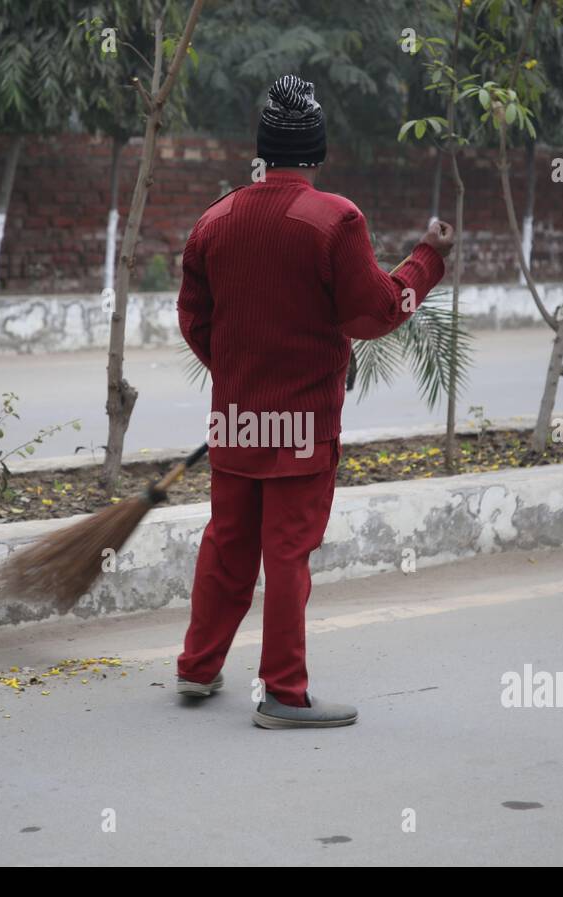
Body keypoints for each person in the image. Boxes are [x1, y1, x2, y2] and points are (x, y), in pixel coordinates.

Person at [175, 74, 455, 728]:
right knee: (287, 553)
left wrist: (244, 375)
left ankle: (197, 667)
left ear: (262, 151)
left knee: (227, 545)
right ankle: (282, 693)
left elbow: (196, 320)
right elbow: (379, 313)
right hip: (302, 427)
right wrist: (429, 259)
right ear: (318, 153)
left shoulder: (213, 221)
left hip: (238, 420)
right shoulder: (334, 220)